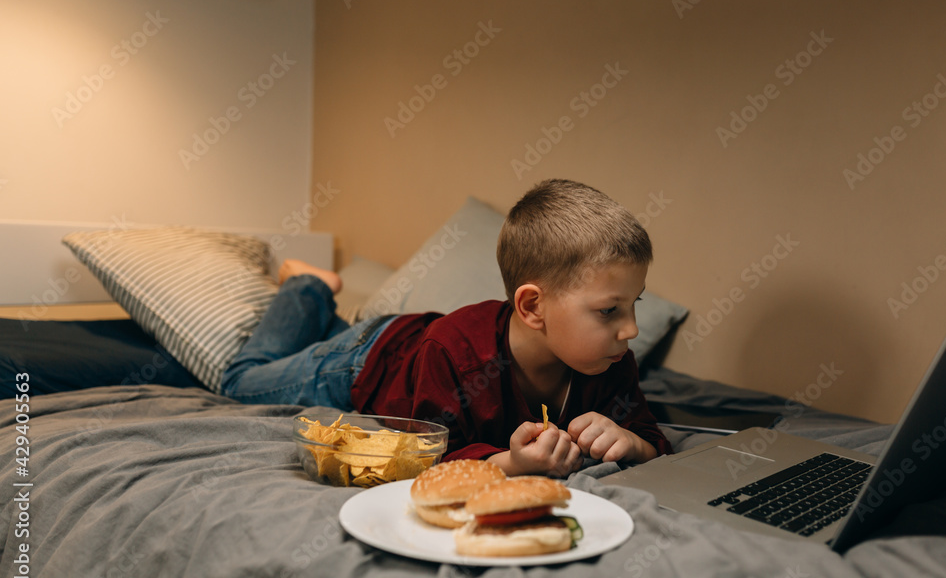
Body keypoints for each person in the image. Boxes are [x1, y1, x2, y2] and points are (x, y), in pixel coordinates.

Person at [220, 179, 671, 476]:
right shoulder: (453, 355)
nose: (630, 330)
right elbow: (428, 456)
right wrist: (510, 464)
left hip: (414, 345)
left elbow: (651, 437)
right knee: (240, 381)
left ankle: (330, 320)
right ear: (532, 307)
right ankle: (308, 286)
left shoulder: (612, 359)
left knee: (325, 340)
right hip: (370, 356)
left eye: (635, 305)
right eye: (610, 311)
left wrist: (632, 442)